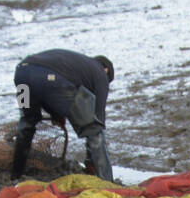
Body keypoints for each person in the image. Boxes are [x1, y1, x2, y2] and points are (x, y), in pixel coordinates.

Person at [11, 49, 115, 182]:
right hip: (49, 78)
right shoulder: (100, 73)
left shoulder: (76, 64)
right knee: (93, 129)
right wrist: (91, 160)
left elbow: (44, 93)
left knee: (27, 121)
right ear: (106, 70)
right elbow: (98, 118)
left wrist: (56, 114)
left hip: (21, 75)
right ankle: (107, 182)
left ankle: (15, 174)